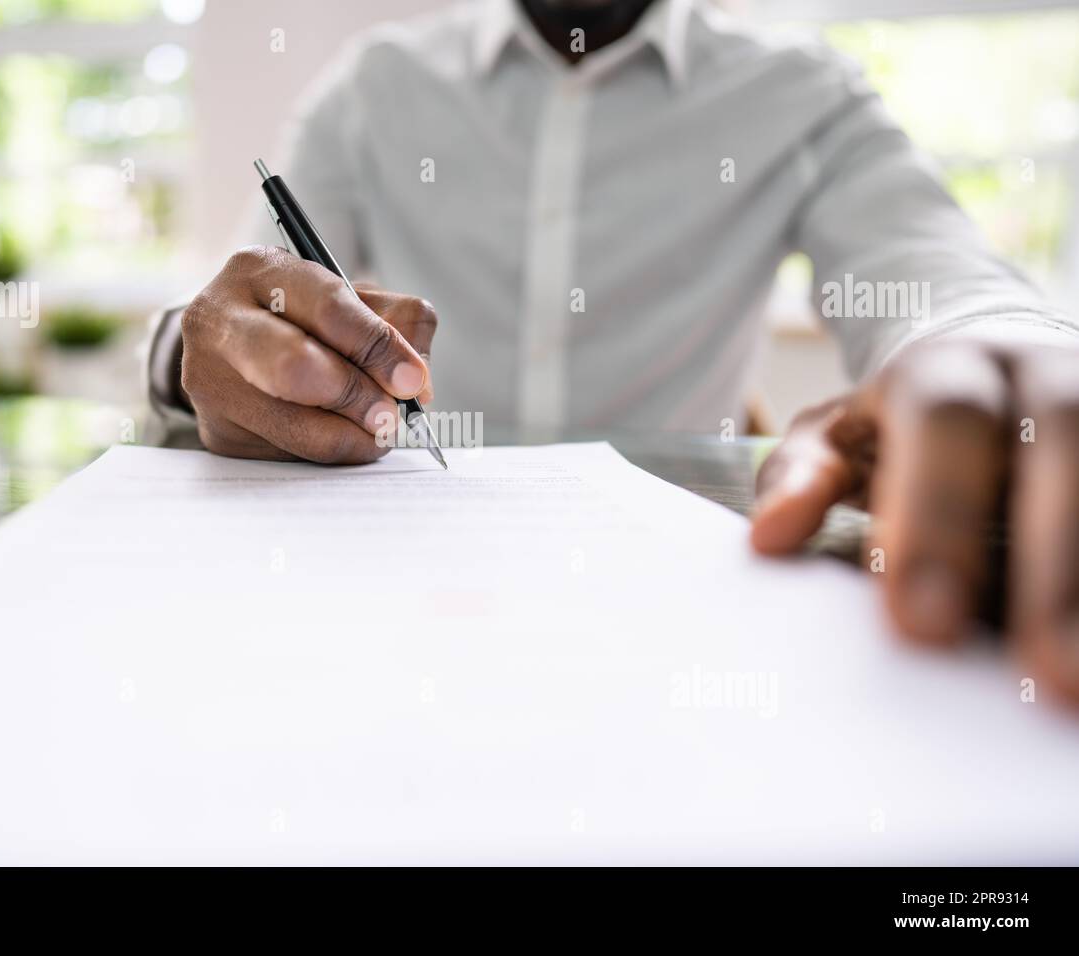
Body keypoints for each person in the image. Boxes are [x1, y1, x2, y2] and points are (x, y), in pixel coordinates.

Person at [147, 0, 1079, 702]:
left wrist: (1000, 354)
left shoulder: (802, 95)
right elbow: (244, 299)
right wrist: (202, 351)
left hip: (689, 637)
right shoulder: (375, 86)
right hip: (389, 622)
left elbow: (941, 276)